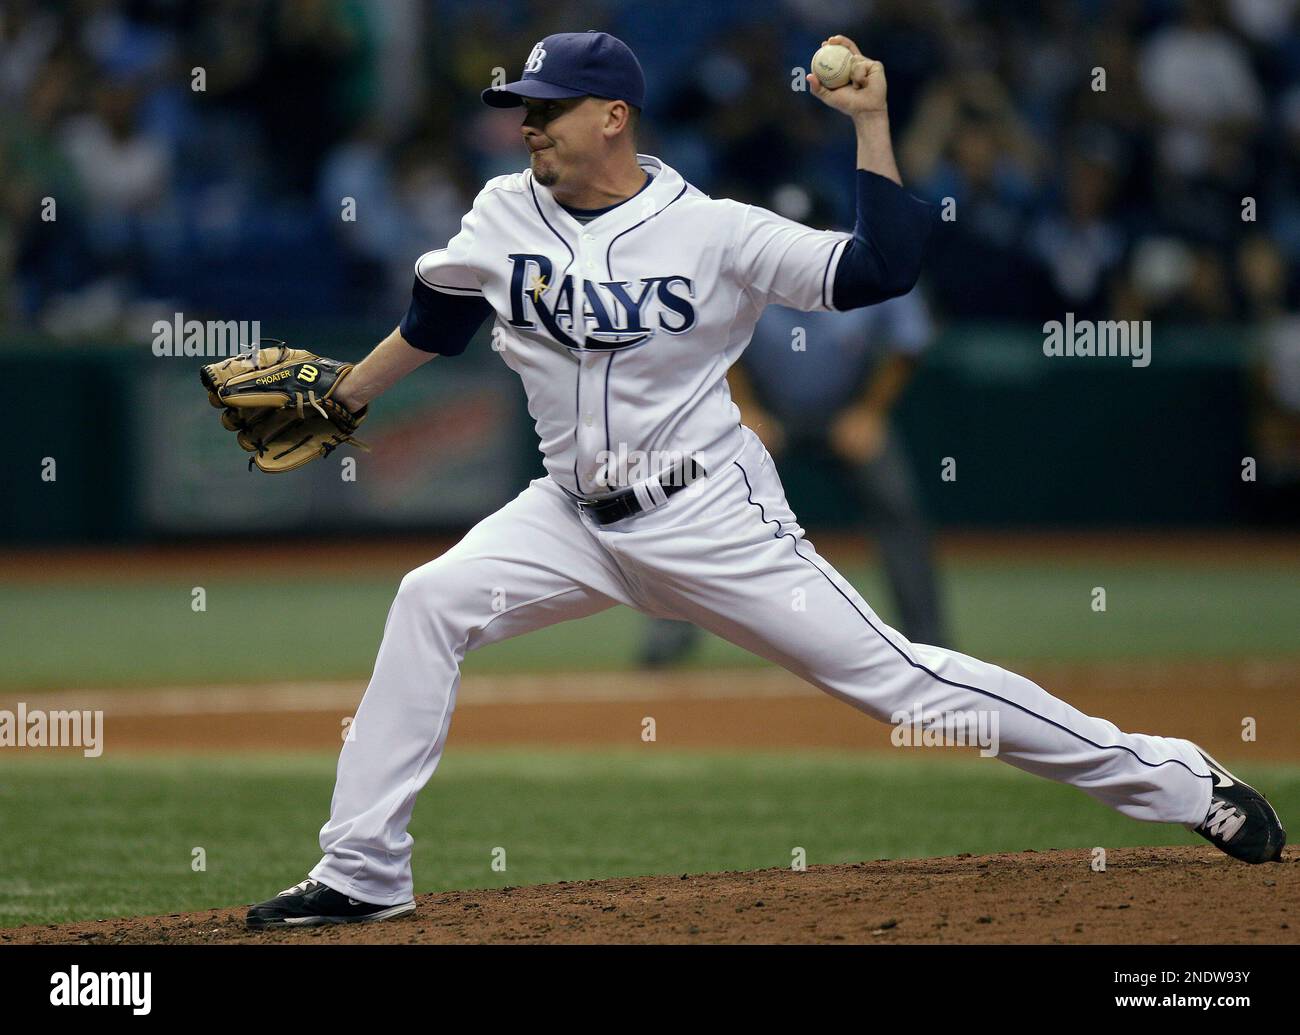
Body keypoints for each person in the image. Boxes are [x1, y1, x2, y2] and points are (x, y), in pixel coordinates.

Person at [246, 31, 1284, 929]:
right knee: (430, 600)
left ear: (614, 116)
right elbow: (440, 316)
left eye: (546, 111)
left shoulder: (716, 231)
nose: (526, 127)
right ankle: (363, 873)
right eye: (520, 109)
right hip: (565, 516)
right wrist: (346, 397)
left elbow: (877, 272)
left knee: (907, 688)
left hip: (710, 515)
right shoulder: (503, 211)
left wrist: (871, 122)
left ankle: (1175, 777)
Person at [639, 280, 949, 668]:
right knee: (697, 506)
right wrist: (744, 407)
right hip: (760, 415)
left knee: (897, 507)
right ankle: (669, 638)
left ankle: (930, 643)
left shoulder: (863, 268)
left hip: (849, 413)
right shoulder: (746, 268)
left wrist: (870, 412)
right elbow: (709, 342)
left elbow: (912, 342)